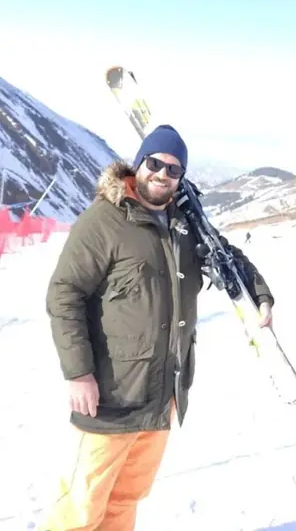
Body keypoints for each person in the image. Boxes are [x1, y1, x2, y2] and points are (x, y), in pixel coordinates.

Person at [40, 124, 274, 531]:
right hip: (110, 396)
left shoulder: (186, 225)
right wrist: (78, 373)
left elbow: (227, 257)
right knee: (82, 507)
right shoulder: (104, 221)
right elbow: (64, 294)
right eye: (154, 163)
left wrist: (260, 296)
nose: (162, 174)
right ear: (138, 164)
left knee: (126, 498)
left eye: (174, 169)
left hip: (162, 394)